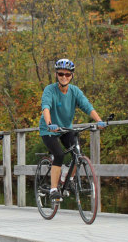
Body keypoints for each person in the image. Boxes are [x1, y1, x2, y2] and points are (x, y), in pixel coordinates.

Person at [40, 58, 107, 202]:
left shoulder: (75, 91)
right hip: (49, 129)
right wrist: (49, 123)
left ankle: (68, 179)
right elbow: (46, 107)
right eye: (61, 74)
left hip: (65, 128)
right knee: (58, 154)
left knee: (77, 152)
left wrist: (99, 121)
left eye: (67, 74)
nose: (64, 77)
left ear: (72, 76)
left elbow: (87, 106)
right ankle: (53, 189)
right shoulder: (50, 90)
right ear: (56, 75)